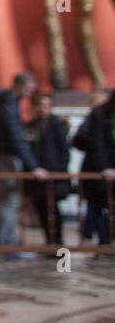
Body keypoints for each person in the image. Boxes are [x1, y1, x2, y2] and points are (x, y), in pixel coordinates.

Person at [0, 73, 51, 249]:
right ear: (19, 85)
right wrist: (33, 166)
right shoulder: (8, 103)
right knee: (9, 200)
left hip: (2, 155)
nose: (29, 93)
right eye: (28, 88)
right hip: (5, 157)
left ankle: (3, 241)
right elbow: (15, 137)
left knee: (6, 199)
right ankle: (7, 243)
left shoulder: (7, 102)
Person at [23, 92, 72, 245]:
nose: (43, 109)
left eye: (47, 105)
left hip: (54, 174)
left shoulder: (57, 124)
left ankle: (57, 242)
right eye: (41, 105)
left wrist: (58, 171)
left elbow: (64, 150)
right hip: (37, 175)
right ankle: (49, 242)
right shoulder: (31, 125)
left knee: (53, 209)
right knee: (41, 208)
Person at [72, 92, 115, 246]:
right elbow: (98, 144)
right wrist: (105, 167)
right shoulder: (99, 114)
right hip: (98, 170)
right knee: (98, 206)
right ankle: (104, 242)